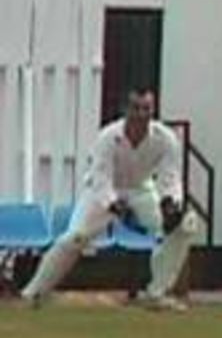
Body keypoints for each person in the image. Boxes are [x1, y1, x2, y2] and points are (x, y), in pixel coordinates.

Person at [22, 88, 195, 310]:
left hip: (141, 190)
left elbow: (170, 177)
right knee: (75, 237)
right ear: (125, 109)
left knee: (185, 226)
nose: (141, 115)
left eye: (146, 109)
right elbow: (100, 178)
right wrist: (116, 206)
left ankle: (156, 293)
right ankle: (34, 293)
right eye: (136, 108)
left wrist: (170, 204)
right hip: (101, 193)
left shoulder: (165, 139)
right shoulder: (108, 137)